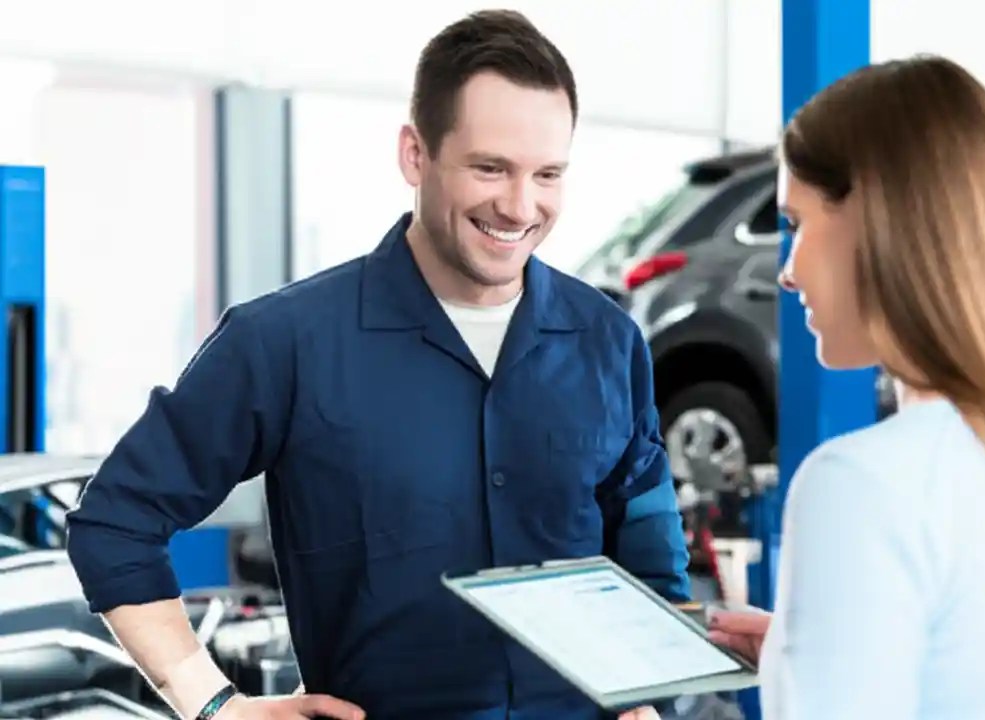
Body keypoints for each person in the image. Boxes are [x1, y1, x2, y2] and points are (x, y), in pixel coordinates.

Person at [64, 10, 688, 720]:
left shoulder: (608, 341)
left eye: (547, 174)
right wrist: (214, 706)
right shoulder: (286, 342)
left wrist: (652, 699)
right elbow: (115, 523)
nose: (521, 206)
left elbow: (650, 557)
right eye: (490, 168)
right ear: (415, 155)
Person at [707, 55, 985, 718]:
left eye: (796, 224)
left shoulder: (861, 482)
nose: (787, 273)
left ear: (876, 221)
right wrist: (810, 662)